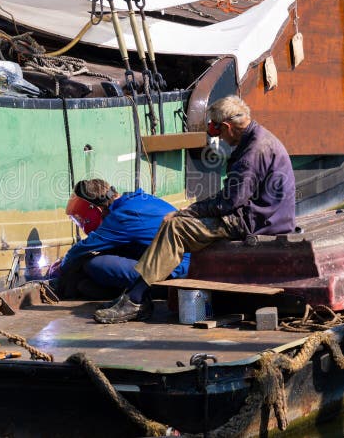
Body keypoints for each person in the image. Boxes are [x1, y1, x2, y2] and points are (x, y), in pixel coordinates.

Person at [94, 95, 296, 324]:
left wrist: (185, 212)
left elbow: (229, 203)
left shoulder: (252, 153)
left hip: (257, 221)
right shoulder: (259, 139)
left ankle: (136, 299)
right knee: (175, 223)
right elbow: (233, 198)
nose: (218, 137)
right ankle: (135, 294)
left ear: (228, 127)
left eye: (217, 130)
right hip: (267, 216)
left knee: (176, 227)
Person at [48, 179, 190, 303]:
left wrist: (61, 268)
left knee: (93, 264)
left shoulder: (122, 216)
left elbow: (83, 248)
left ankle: (151, 291)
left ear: (96, 210)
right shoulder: (137, 199)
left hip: (174, 273)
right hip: (184, 263)